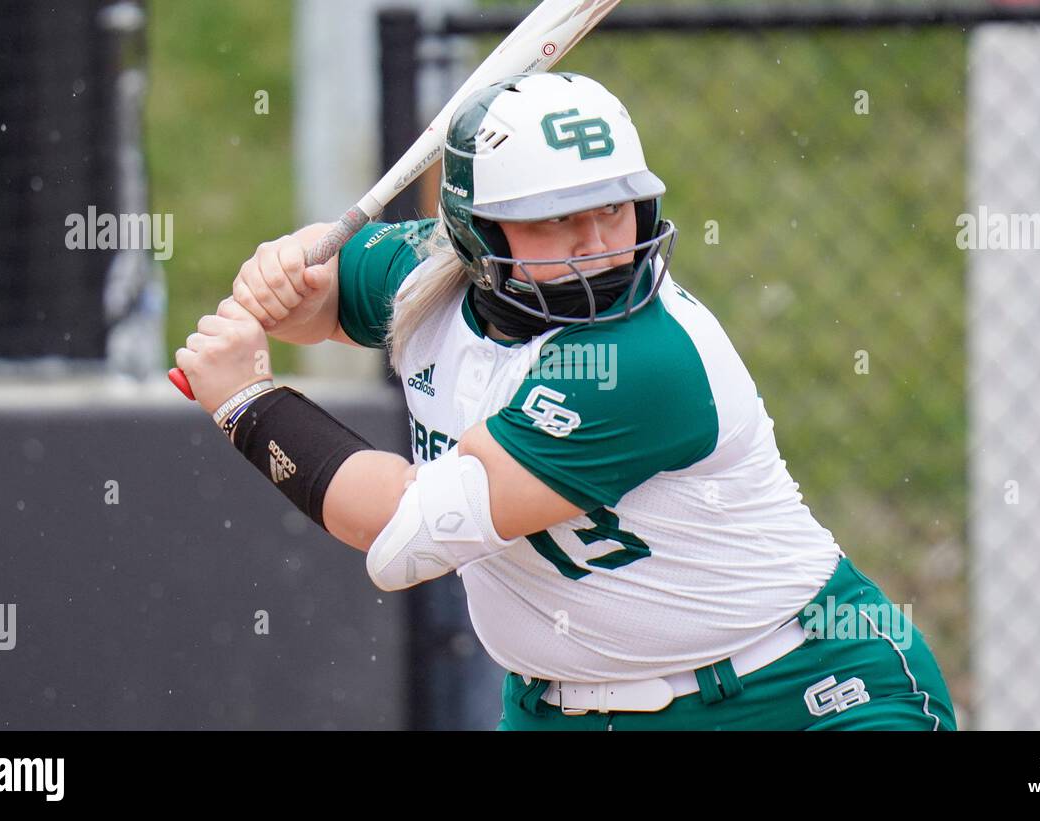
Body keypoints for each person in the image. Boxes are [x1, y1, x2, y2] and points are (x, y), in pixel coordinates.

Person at [174, 71, 957, 730]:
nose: (598, 244)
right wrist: (285, 273)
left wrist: (248, 403)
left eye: (611, 209)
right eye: (555, 221)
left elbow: (401, 532)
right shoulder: (427, 277)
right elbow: (321, 296)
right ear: (478, 237)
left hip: (795, 690)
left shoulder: (643, 359)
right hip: (563, 709)